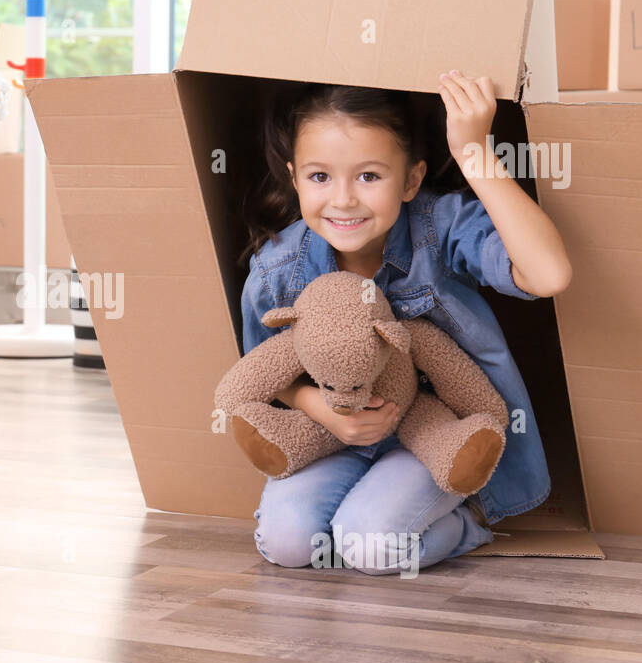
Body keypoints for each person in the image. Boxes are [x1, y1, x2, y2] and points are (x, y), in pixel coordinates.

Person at [239, 71, 572, 576]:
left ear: (411, 179)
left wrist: (474, 152)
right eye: (320, 176)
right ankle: (361, 517)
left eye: (369, 176)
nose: (344, 199)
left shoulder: (439, 227)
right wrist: (320, 409)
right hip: (336, 433)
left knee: (369, 547)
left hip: (434, 437)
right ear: (293, 177)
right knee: (287, 543)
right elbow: (264, 373)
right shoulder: (277, 268)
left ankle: (467, 520)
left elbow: (548, 274)